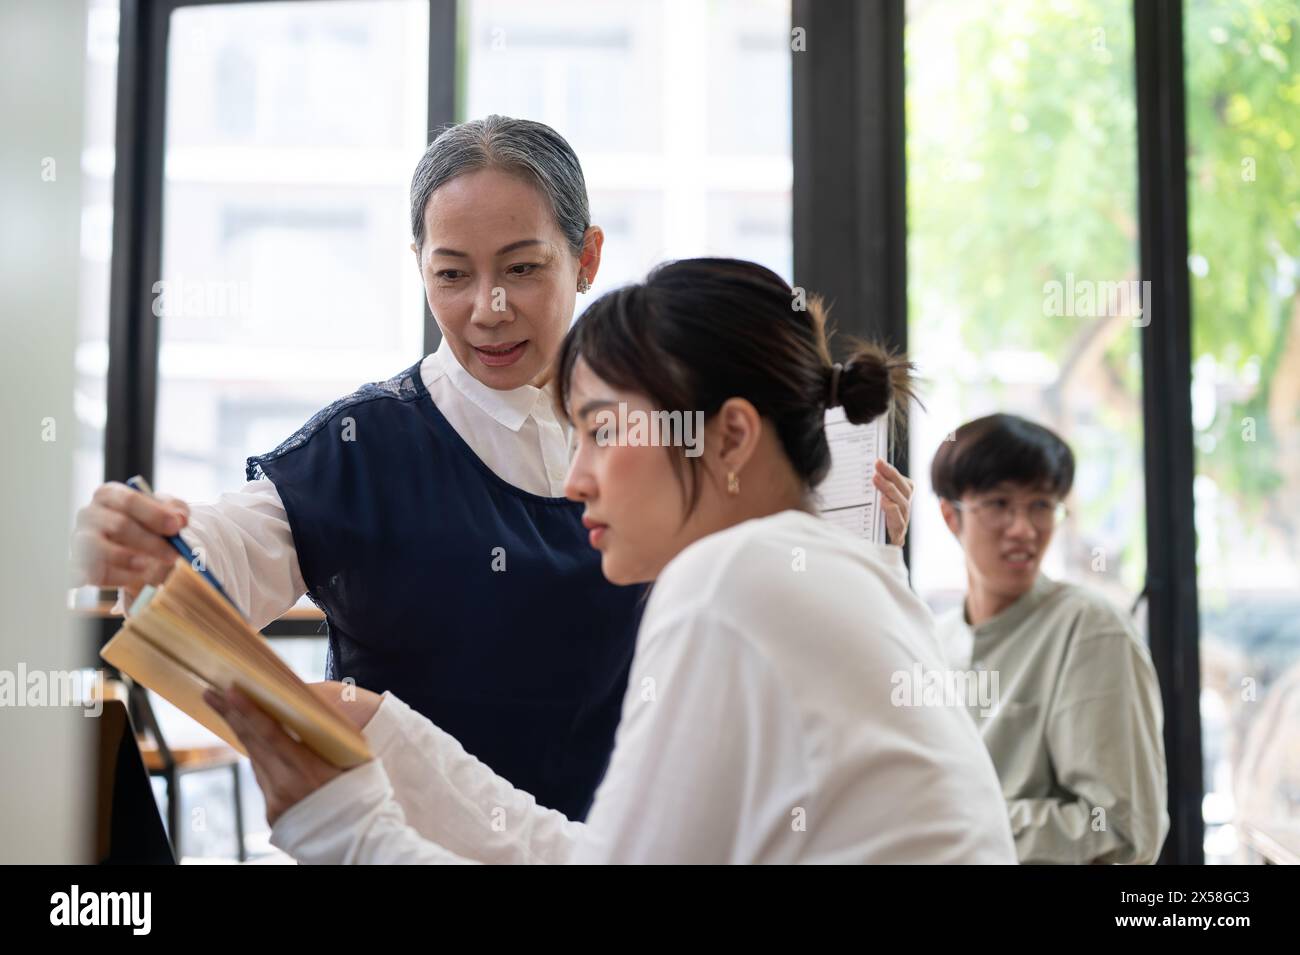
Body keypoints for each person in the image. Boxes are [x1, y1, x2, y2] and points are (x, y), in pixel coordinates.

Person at [209, 258, 1017, 864]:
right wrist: (392, 741)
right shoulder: (847, 574)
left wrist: (341, 821)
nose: (574, 477)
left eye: (601, 429)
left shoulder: (727, 582)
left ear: (729, 436)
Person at [72, 116, 649, 820]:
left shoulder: (648, 435)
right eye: (452, 274)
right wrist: (147, 547)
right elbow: (221, 553)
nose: (487, 309)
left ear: (586, 257)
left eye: (522, 268)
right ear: (420, 267)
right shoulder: (365, 445)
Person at [930, 413, 1169, 864]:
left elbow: (1124, 831)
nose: (1023, 528)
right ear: (950, 516)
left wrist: (958, 826)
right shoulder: (932, 644)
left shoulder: (1091, 629)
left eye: (1041, 504)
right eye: (999, 504)